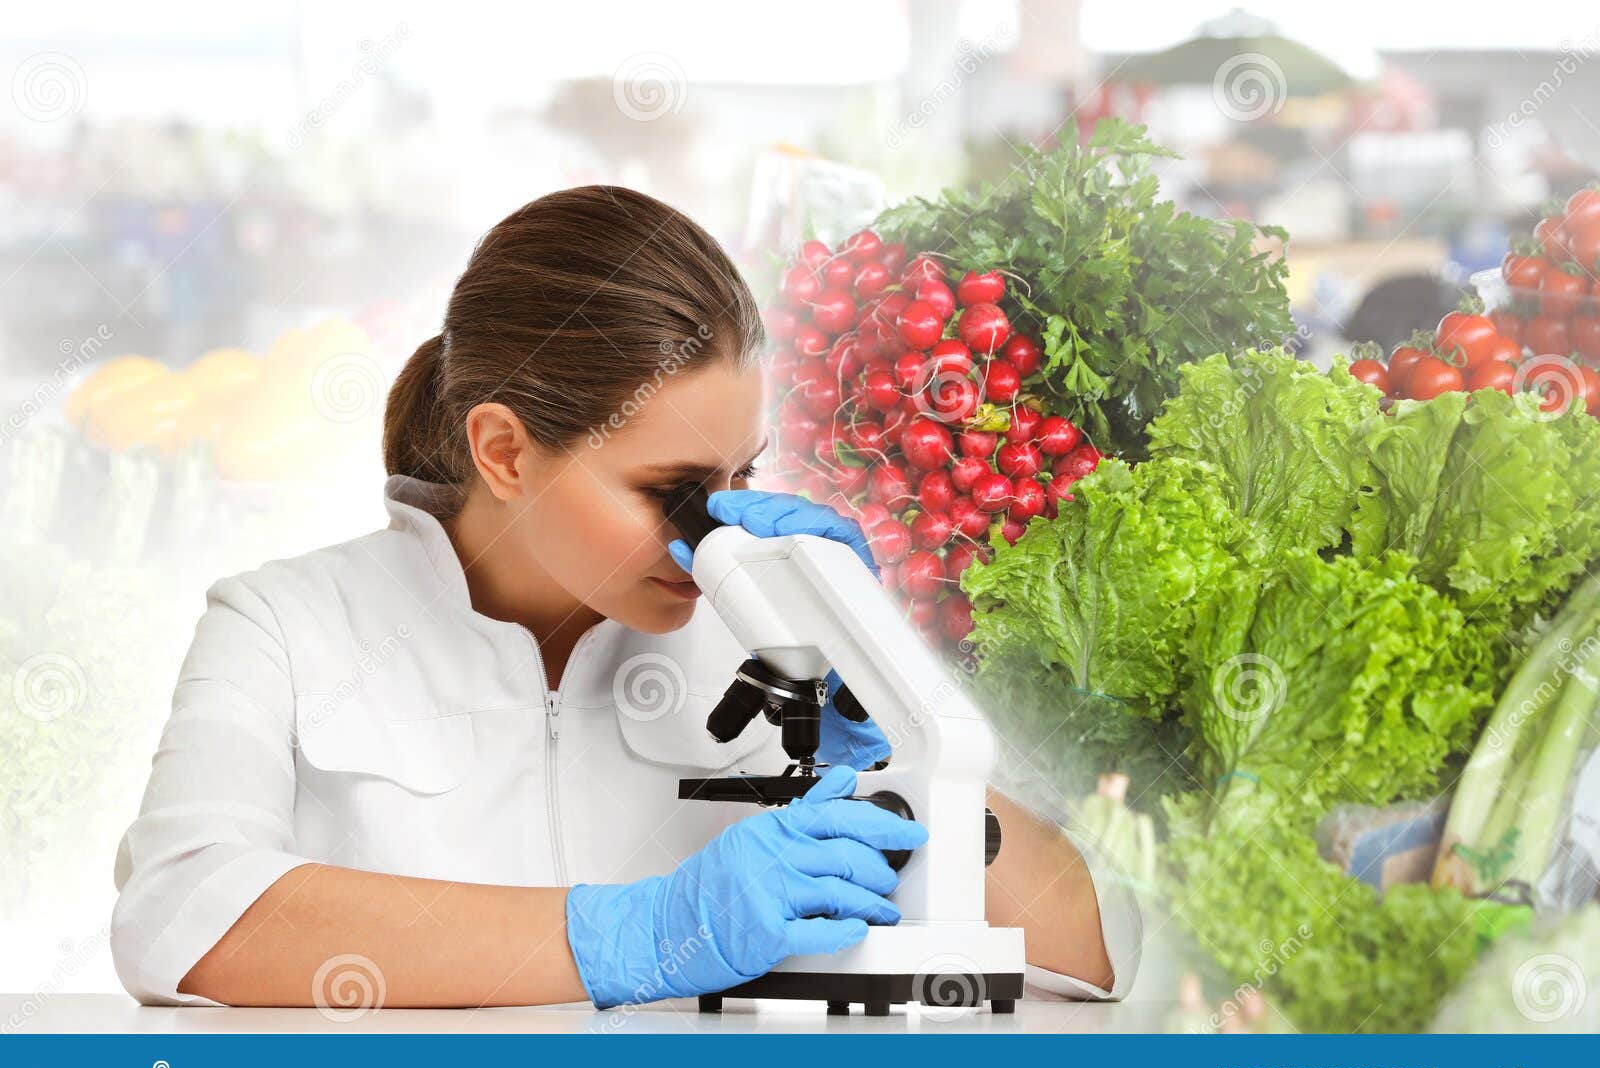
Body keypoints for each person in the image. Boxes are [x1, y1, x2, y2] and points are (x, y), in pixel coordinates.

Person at [109, 186, 1139, 1011]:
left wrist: (891, 712)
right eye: (674, 490)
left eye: (743, 475)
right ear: (504, 451)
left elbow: (1098, 949)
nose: (717, 534)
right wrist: (635, 933)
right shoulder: (283, 624)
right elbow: (180, 910)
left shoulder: (764, 653)